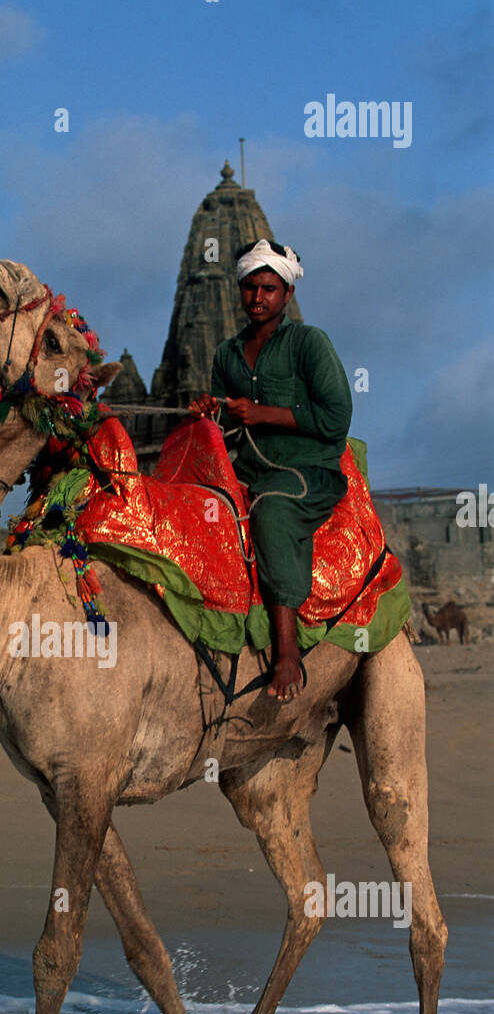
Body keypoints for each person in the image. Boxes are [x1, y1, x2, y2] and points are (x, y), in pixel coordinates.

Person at [190, 239, 352, 702]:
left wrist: (262, 413)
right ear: (238, 291)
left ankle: (287, 651)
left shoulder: (309, 343)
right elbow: (227, 432)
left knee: (271, 513)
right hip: (249, 471)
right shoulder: (226, 355)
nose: (258, 297)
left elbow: (336, 417)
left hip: (309, 474)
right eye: (249, 288)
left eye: (268, 288)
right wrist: (210, 413)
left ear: (287, 294)